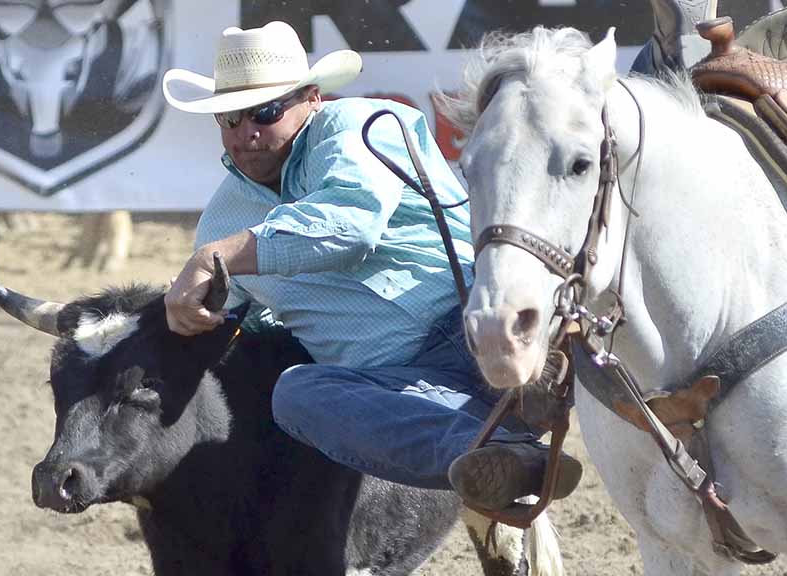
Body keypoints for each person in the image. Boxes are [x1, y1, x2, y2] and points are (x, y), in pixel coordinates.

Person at [160, 20, 583, 511]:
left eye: (265, 112)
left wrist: (218, 258)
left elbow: (349, 224)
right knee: (295, 394)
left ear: (313, 99)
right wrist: (186, 315)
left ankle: (513, 411)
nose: (246, 133)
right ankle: (498, 451)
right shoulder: (222, 221)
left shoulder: (359, 126)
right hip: (399, 388)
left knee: (300, 394)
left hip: (476, 324)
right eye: (229, 118)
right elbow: (241, 321)